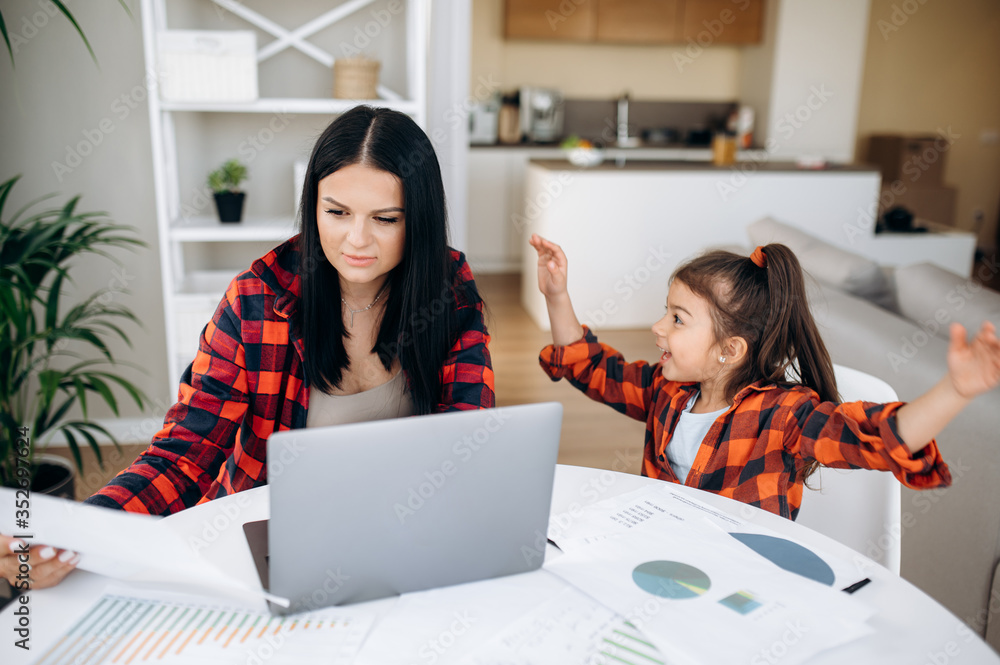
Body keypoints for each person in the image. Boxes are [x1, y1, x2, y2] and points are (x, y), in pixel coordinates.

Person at [0, 106, 495, 589]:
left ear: (420, 220)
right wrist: (77, 532)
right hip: (272, 542)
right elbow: (186, 454)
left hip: (401, 534)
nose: (357, 239)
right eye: (337, 212)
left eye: (386, 219)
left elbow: (465, 442)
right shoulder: (258, 299)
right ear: (313, 204)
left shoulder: (448, 289)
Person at [529, 233, 1000, 520]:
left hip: (741, 584)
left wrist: (956, 389)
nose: (657, 327)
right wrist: (557, 295)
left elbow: (874, 438)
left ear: (729, 351)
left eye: (677, 319)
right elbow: (591, 366)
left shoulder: (783, 416)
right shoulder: (667, 390)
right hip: (664, 559)